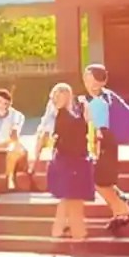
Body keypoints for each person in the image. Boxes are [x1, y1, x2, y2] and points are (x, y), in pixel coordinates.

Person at [83, 63, 129, 234]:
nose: (85, 81)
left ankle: (123, 212)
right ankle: (128, 205)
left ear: (98, 81)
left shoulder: (97, 102)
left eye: (88, 77)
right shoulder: (108, 97)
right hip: (110, 145)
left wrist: (94, 152)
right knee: (105, 182)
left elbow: (99, 130)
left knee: (99, 182)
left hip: (102, 146)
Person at [38, 82, 94, 241]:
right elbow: (53, 136)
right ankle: (78, 233)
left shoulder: (71, 113)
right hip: (69, 161)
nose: (58, 98)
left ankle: (59, 230)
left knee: (69, 198)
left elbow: (86, 124)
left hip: (74, 159)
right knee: (73, 198)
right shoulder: (59, 115)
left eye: (61, 95)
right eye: (56, 95)